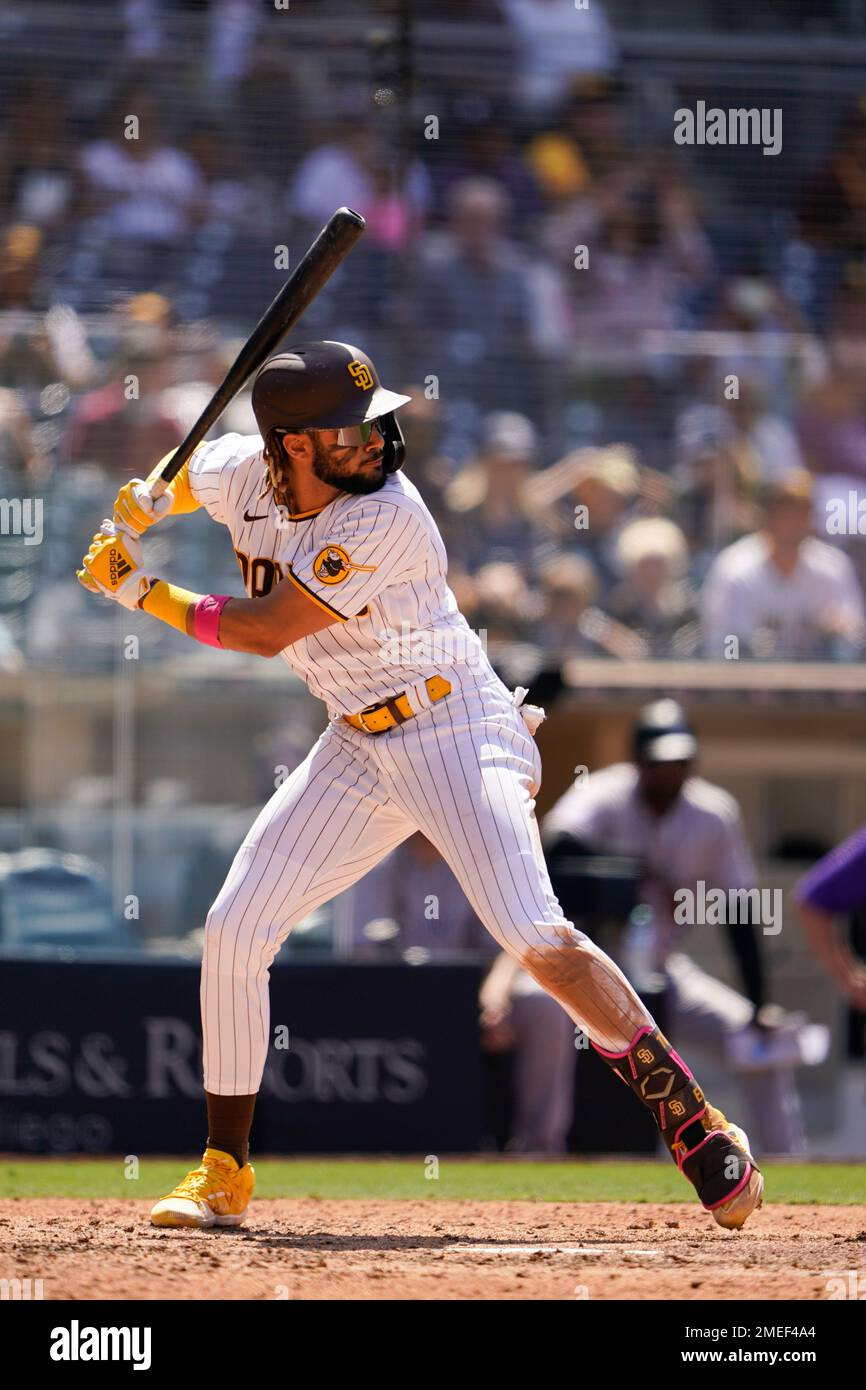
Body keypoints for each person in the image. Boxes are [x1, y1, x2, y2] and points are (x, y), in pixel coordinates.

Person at [77, 340, 763, 1231]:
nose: (375, 440)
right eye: (348, 431)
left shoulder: (387, 517)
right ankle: (222, 1172)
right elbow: (185, 468)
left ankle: (693, 1122)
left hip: (455, 728)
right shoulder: (244, 471)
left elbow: (265, 630)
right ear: (289, 445)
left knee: (534, 935)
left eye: (374, 422)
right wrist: (150, 496)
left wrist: (143, 590)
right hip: (355, 742)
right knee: (234, 928)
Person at [543, 700, 809, 1155]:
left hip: (667, 971)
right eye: (659, 762)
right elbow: (556, 841)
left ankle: (792, 1171)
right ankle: (539, 1155)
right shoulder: (607, 793)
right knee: (550, 1032)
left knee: (762, 1044)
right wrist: (639, 870)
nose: (670, 772)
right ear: (639, 761)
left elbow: (739, 911)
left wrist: (758, 1004)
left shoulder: (713, 813)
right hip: (596, 976)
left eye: (678, 762)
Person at [349, 832, 576, 1153]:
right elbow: (364, 954)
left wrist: (494, 997)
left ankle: (539, 1148)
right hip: (400, 996)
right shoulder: (374, 857)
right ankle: (375, 1144)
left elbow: (514, 942)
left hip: (474, 991)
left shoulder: (479, 855)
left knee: (543, 1004)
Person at [700, 470, 865, 660]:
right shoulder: (736, 569)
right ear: (767, 518)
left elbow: (856, 638)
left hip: (817, 682)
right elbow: (724, 647)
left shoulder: (832, 567)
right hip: (750, 683)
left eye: (802, 514)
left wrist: (840, 629)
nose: (794, 523)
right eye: (786, 514)